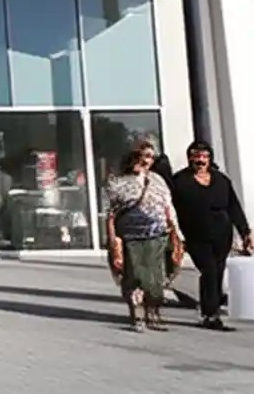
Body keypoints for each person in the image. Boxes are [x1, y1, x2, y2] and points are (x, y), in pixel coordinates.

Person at [170, 140, 252, 331]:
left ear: (209, 159)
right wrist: (175, 236)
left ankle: (211, 309)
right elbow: (171, 210)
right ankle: (209, 314)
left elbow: (234, 207)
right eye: (196, 157)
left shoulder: (221, 180)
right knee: (209, 271)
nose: (201, 161)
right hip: (196, 236)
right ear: (190, 158)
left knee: (218, 271)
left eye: (204, 157)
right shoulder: (180, 181)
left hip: (222, 235)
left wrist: (245, 232)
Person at [105, 142, 181, 332]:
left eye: (151, 157)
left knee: (155, 279)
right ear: (134, 156)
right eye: (145, 156)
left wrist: (176, 232)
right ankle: (137, 315)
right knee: (134, 278)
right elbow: (111, 214)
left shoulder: (157, 180)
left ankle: (153, 313)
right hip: (131, 237)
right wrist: (113, 240)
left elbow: (168, 206)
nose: (148, 161)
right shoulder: (118, 182)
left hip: (157, 235)